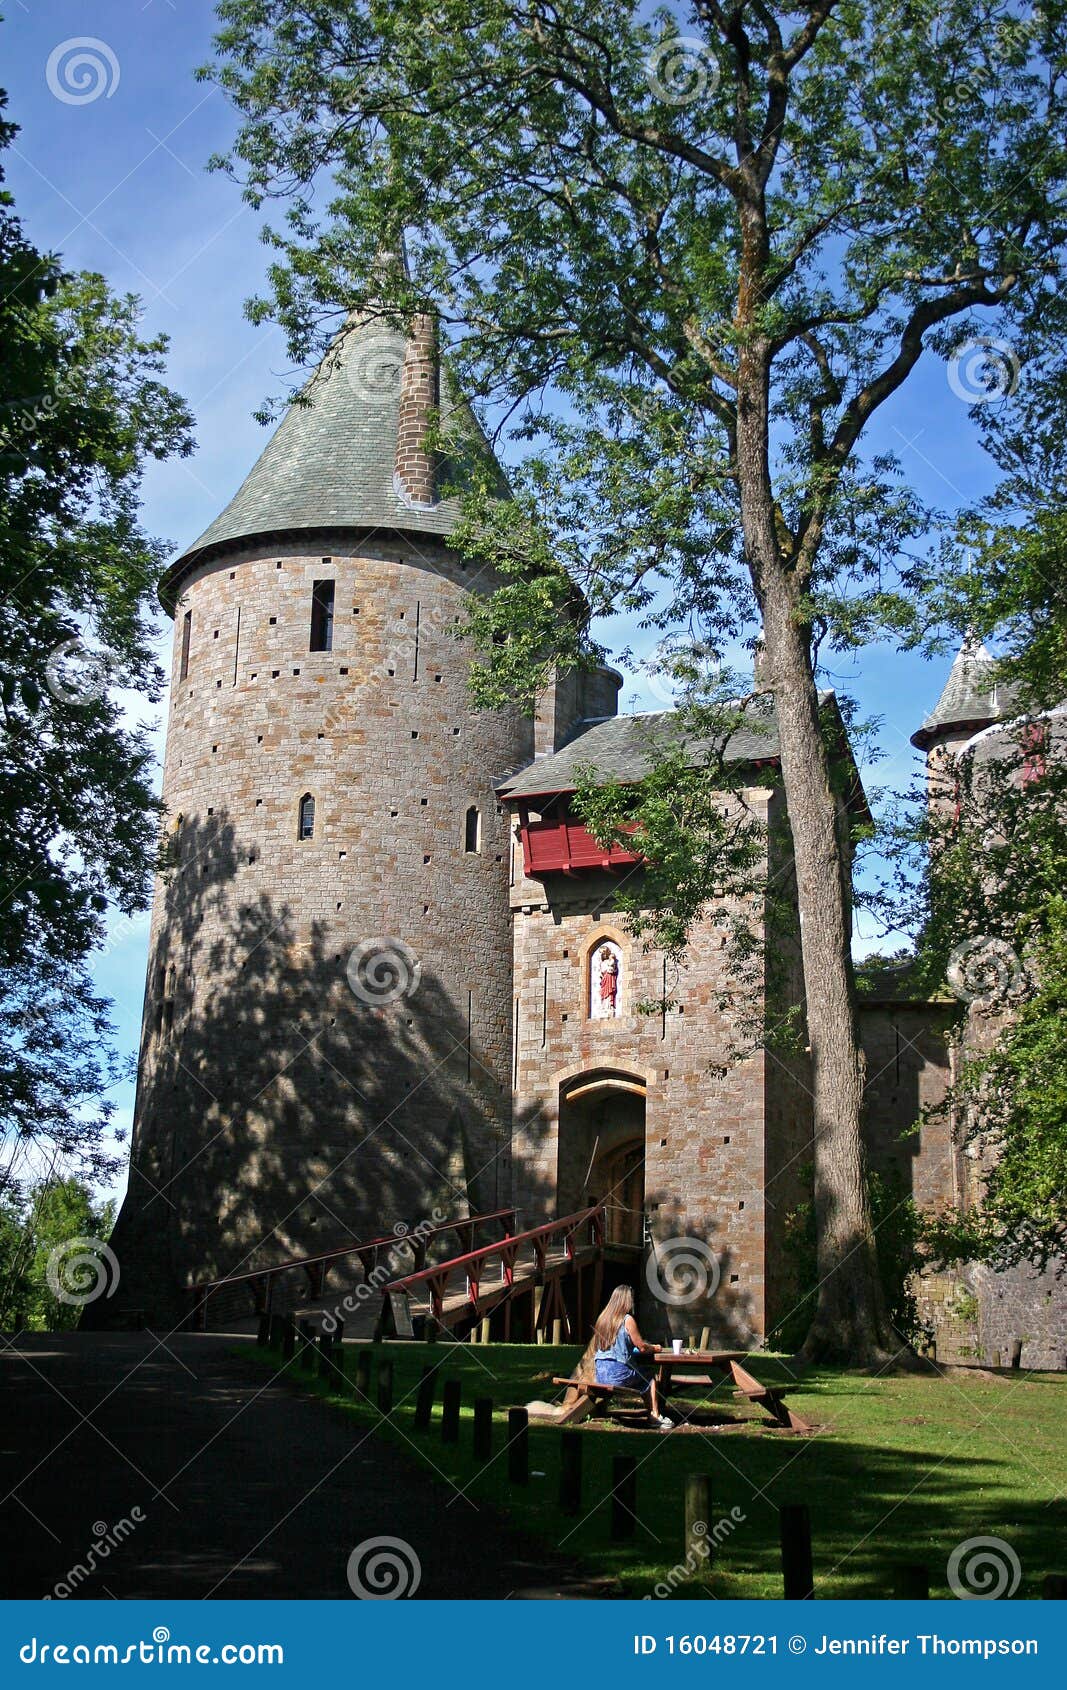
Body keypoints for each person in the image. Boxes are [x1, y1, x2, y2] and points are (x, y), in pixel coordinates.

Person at [592, 1284, 671, 1429]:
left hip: (600, 1373)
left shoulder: (602, 1318)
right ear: (626, 1300)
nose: (632, 1303)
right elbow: (641, 1346)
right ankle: (655, 1415)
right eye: (631, 1299)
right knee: (649, 1377)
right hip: (618, 1373)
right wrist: (654, 1347)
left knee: (642, 1374)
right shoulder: (627, 1319)